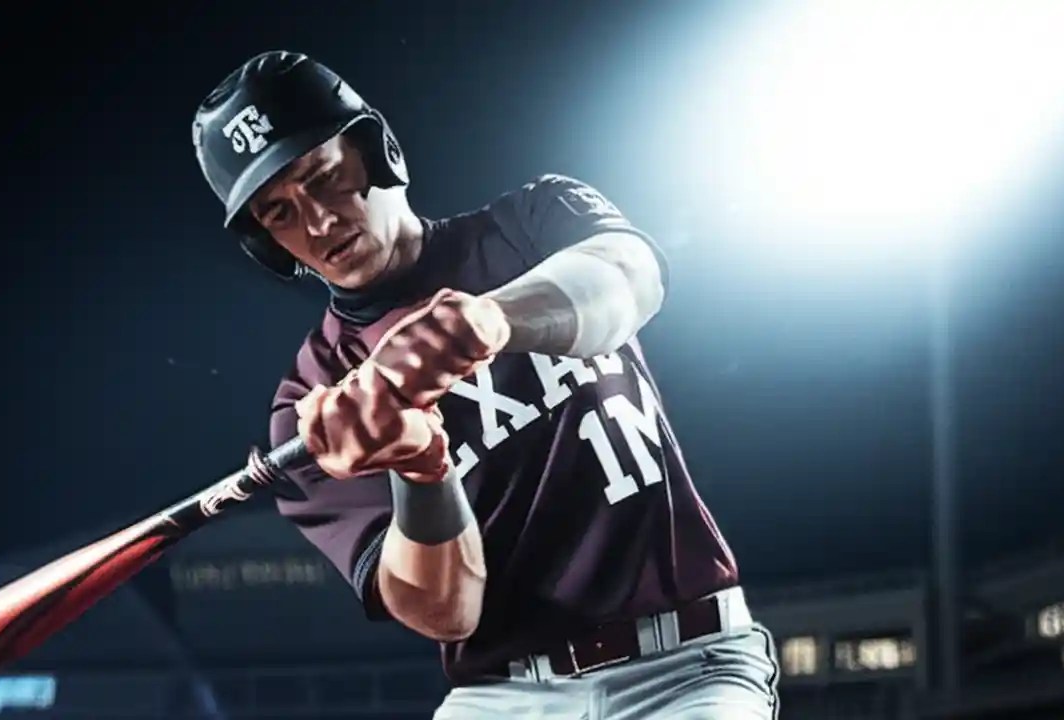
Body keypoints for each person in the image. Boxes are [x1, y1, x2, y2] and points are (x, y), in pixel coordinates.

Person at [192, 50, 778, 719]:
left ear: (374, 149)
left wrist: (488, 318)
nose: (318, 223)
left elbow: (628, 280)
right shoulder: (311, 404)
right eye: (279, 212)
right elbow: (447, 610)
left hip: (686, 668)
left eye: (323, 176)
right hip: (500, 698)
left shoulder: (533, 222)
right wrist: (421, 468)